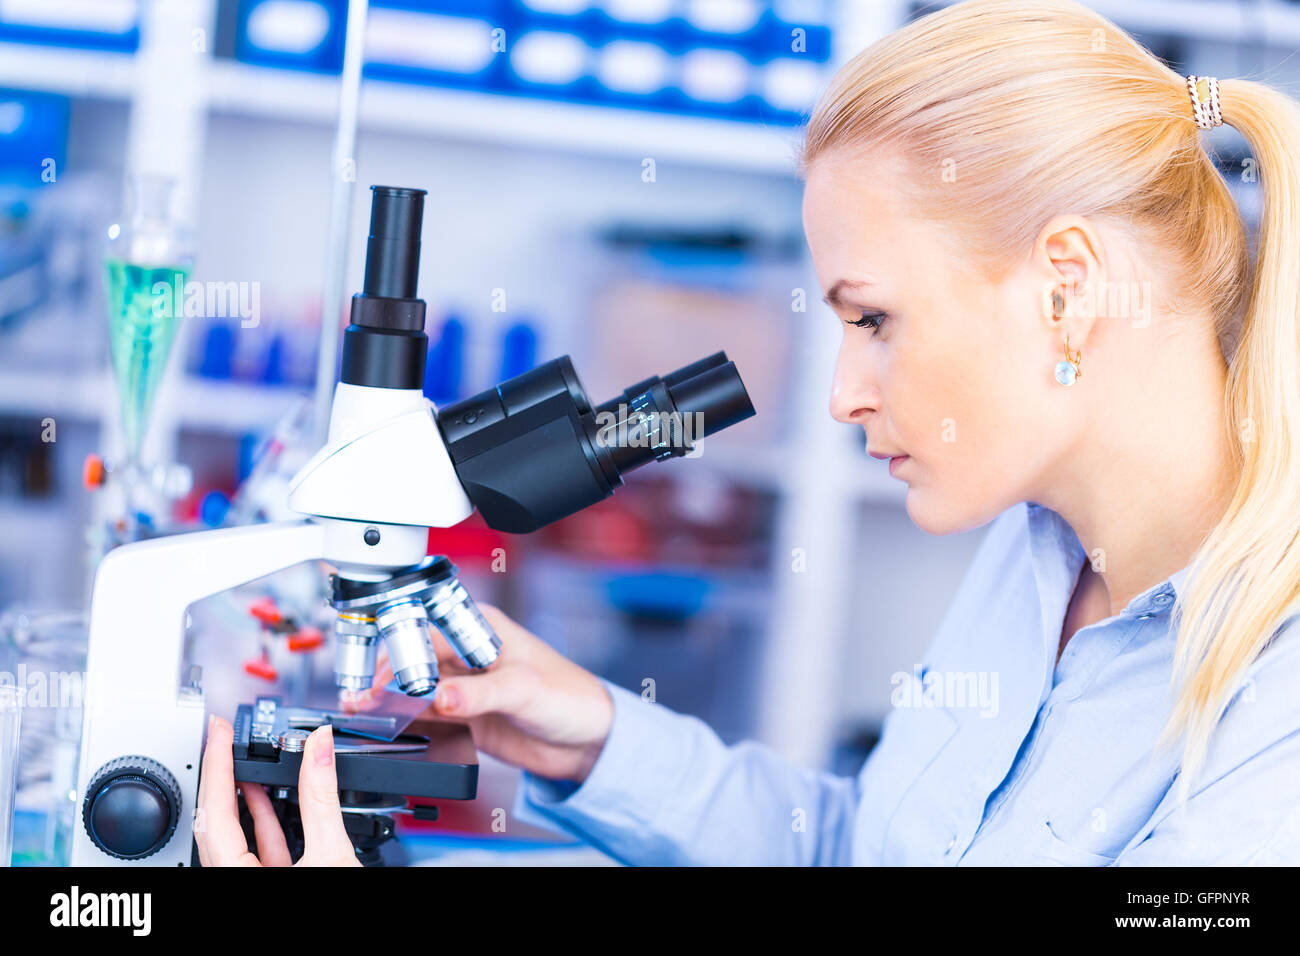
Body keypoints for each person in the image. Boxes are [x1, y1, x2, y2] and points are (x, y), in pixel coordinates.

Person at [197, 0, 1300, 866]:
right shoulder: (1038, 550)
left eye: (874, 319)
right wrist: (588, 734)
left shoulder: (1276, 706)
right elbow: (860, 853)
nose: (843, 395)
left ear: (1066, 287)